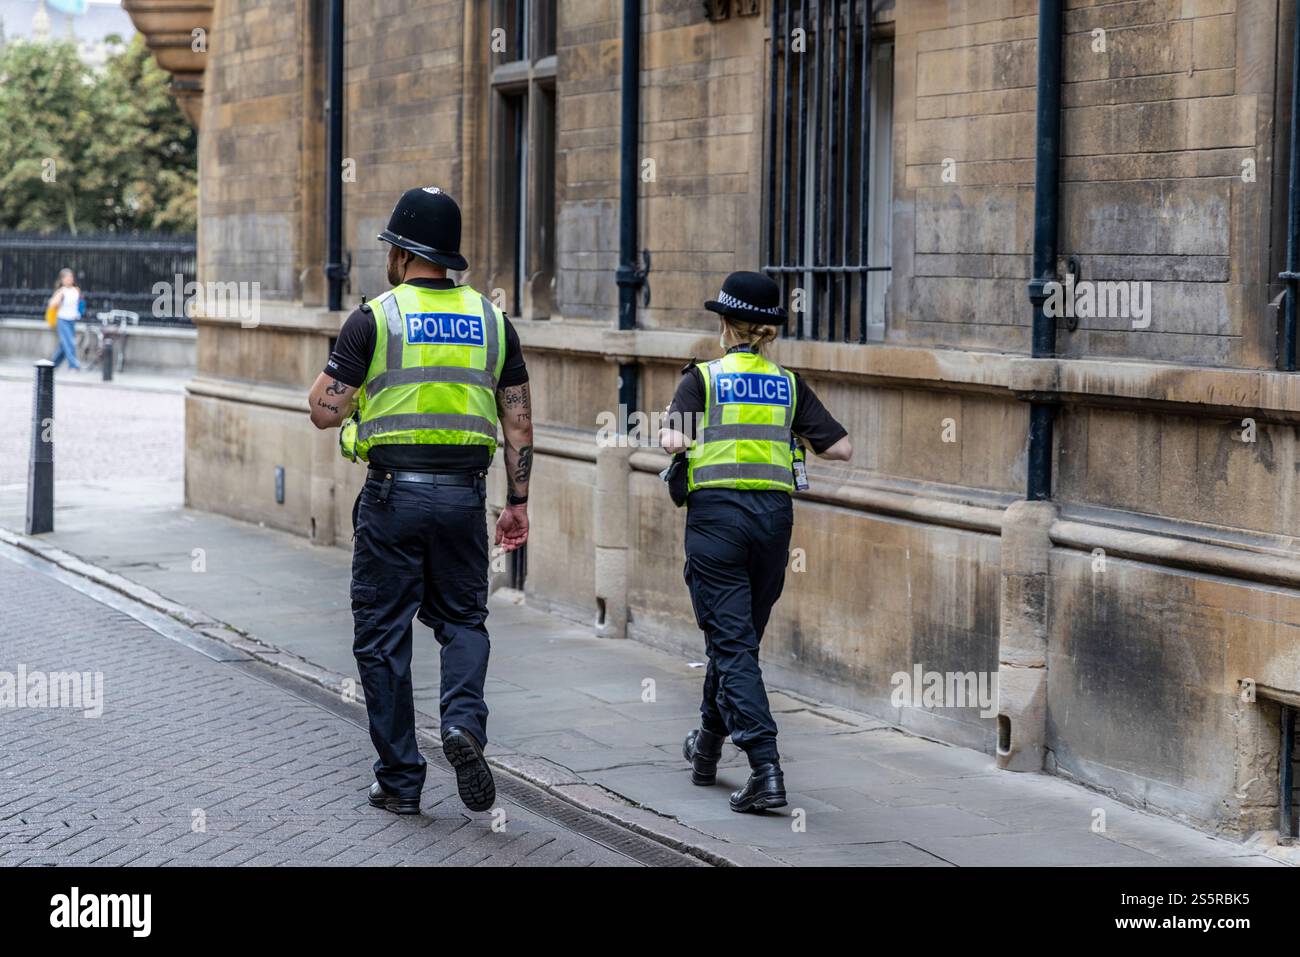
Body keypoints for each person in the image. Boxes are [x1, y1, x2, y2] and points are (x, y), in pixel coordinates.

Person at [307, 186, 532, 816]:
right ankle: (463, 725)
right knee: (463, 621)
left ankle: (402, 780)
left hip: (391, 498)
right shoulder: (493, 321)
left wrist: (351, 413)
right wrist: (516, 502)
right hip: (465, 498)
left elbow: (323, 411)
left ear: (403, 253)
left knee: (383, 638)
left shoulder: (374, 318)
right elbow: (518, 424)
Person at [658, 271, 852, 813]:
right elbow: (842, 449)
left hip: (717, 521)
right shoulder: (789, 385)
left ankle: (766, 768)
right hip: (772, 522)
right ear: (767, 329)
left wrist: (675, 438)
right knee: (737, 641)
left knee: (732, 644)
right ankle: (706, 747)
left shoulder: (704, 377)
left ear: (724, 324)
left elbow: (673, 438)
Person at [48, 268, 82, 370]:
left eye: (71, 277)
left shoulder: (76, 290)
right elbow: (52, 304)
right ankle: (73, 365)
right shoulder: (61, 291)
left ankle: (53, 364)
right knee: (70, 343)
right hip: (62, 320)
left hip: (72, 320)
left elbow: (78, 304)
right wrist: (57, 302)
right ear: (62, 279)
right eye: (67, 277)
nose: (69, 279)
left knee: (64, 345)